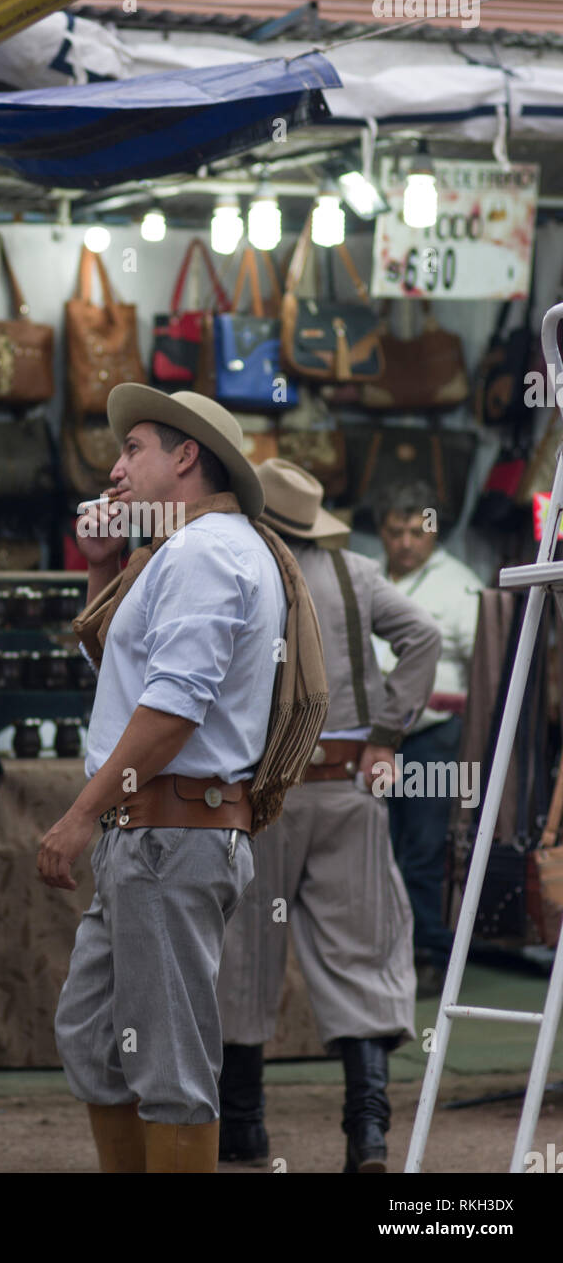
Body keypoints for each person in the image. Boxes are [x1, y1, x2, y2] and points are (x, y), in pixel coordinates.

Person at [38, 389, 328, 1174]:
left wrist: (78, 816)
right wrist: (104, 564)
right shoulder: (198, 549)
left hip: (168, 832)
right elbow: (141, 688)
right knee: (96, 1042)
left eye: (133, 448)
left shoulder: (203, 552)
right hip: (161, 831)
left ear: (186, 455)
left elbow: (171, 714)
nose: (115, 465)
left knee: (168, 1070)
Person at [217, 460, 441, 1173]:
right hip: (349, 787)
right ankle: (366, 1135)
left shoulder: (238, 569)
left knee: (244, 954)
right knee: (362, 955)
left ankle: (245, 1130)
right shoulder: (357, 573)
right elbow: (425, 638)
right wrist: (386, 734)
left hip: (264, 793)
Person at [373, 481, 482, 999]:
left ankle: (433, 956)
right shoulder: (370, 578)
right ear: (382, 533)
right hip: (376, 737)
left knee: (422, 850)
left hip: (435, 735)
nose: (407, 542)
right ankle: (391, 954)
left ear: (434, 533)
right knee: (379, 848)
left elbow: (484, 666)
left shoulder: (459, 586)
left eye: (418, 532)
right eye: (396, 532)